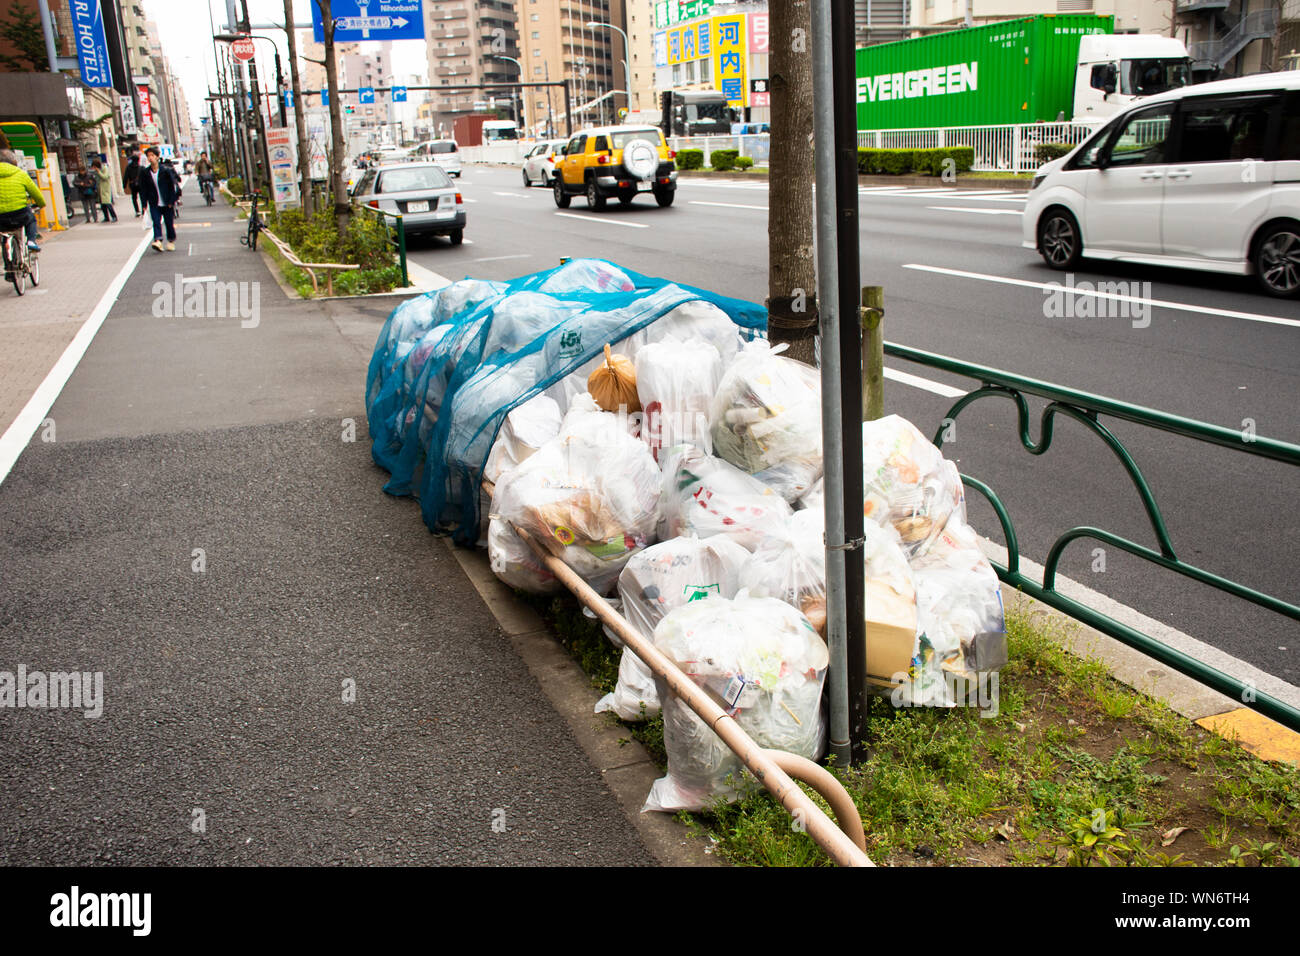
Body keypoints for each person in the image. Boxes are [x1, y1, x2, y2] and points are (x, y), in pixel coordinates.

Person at [136, 146, 181, 251]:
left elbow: (173, 186)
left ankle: (171, 241)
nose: (150, 158)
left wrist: (172, 201)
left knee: (169, 223)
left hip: (167, 202)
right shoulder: (145, 173)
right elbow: (143, 189)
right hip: (154, 202)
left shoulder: (165, 171)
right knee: (156, 222)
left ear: (157, 157)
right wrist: (143, 205)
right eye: (148, 156)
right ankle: (158, 241)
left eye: (152, 155)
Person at [0, 148, 45, 251]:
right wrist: (40, 204)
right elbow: (37, 195)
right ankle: (31, 241)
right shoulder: (21, 174)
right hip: (20, 215)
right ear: (13, 161)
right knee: (31, 219)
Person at [92, 158, 117, 222]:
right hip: (100, 189)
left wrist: (98, 172)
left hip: (105, 189)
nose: (94, 168)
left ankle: (114, 217)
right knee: (103, 205)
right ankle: (106, 217)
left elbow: (105, 177)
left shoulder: (104, 168)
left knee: (108, 204)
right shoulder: (96, 172)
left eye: (94, 167)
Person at [124, 150, 142, 217]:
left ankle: (137, 211)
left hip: (132, 184)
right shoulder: (140, 167)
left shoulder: (128, 167)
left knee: (134, 198)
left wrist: (124, 185)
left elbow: (126, 176)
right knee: (142, 197)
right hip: (140, 184)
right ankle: (144, 209)